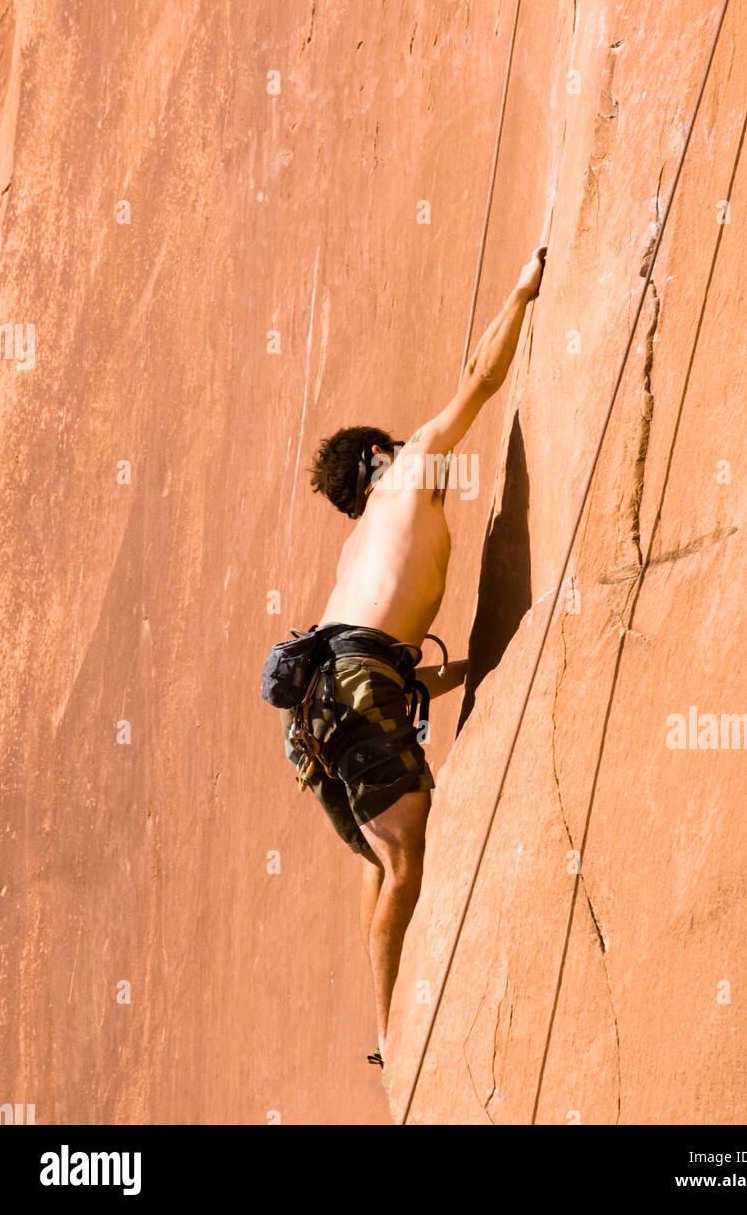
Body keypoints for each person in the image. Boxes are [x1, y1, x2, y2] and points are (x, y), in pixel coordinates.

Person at [286, 245, 547, 1067]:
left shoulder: (353, 553)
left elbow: (382, 659)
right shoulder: (408, 474)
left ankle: (384, 1015)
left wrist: (471, 669)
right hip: (359, 685)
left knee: (376, 850)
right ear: (379, 458)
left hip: (316, 707)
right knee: (404, 852)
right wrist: (524, 291)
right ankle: (394, 1036)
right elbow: (478, 379)